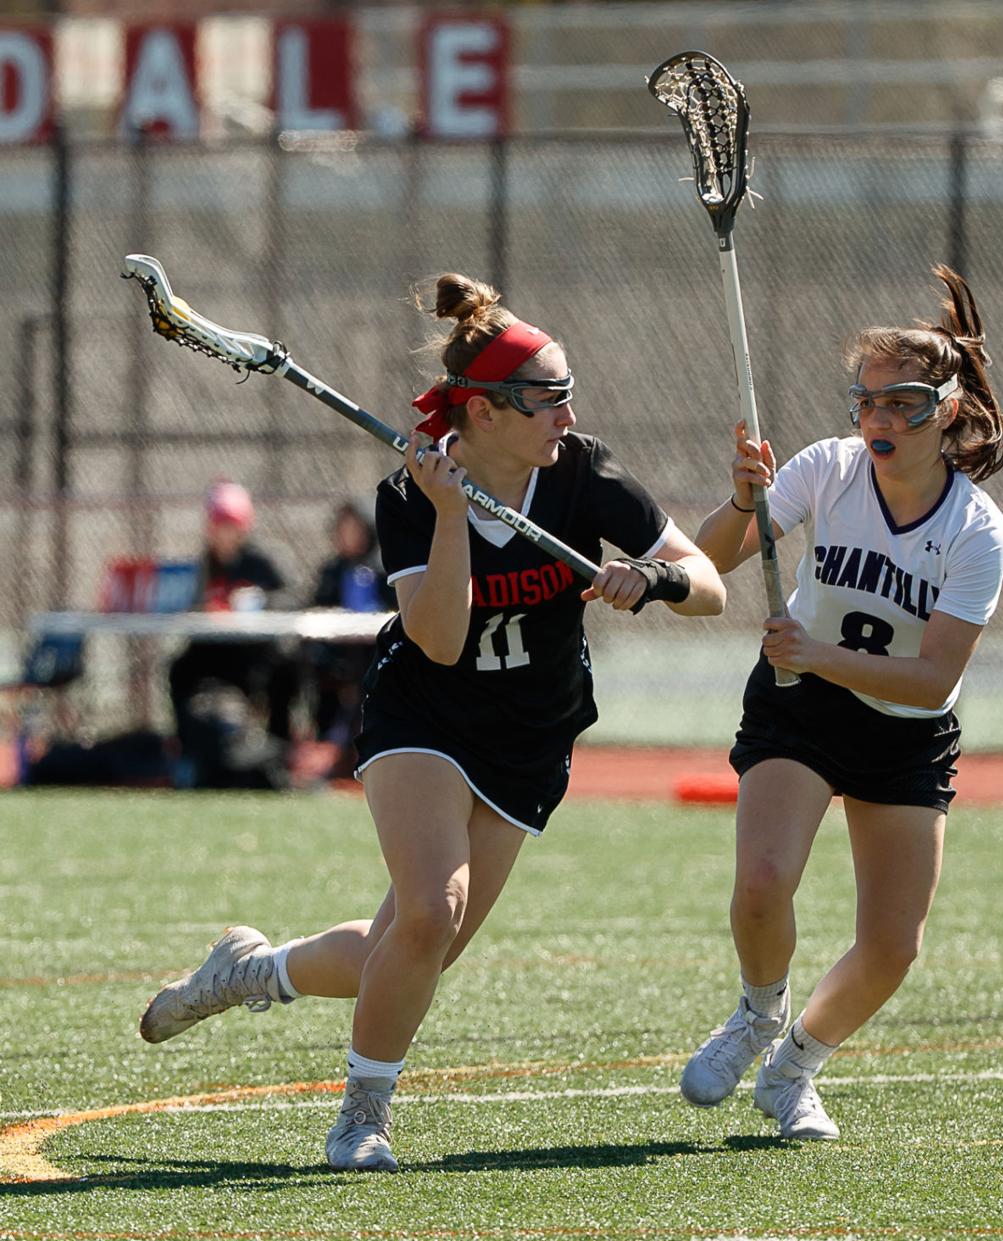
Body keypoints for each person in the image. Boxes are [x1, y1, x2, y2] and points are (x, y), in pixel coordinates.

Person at [138, 273, 726, 1171]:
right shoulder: (411, 493)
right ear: (484, 412)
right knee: (431, 909)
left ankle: (249, 972)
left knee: (413, 948)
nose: (566, 417)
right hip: (426, 711)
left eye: (570, 398)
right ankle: (360, 1117)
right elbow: (442, 640)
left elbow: (711, 588)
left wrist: (657, 578)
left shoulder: (585, 475)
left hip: (532, 732)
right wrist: (452, 514)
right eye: (548, 400)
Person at [679, 265, 1003, 1141]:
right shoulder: (828, 470)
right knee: (761, 882)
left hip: (905, 732)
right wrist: (744, 495)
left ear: (945, 408)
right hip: (802, 708)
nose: (878, 421)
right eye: (865, 402)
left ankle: (795, 1066)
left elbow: (934, 677)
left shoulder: (976, 528)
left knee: (894, 945)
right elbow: (717, 560)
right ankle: (757, 1012)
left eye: (901, 402)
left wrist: (819, 650)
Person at [167, 480, 299, 787]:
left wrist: (259, 600)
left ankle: (280, 750)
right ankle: (187, 753)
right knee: (179, 669)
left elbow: (292, 599)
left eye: (231, 526)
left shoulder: (263, 560)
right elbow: (192, 605)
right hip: (214, 649)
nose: (224, 534)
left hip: (255, 651)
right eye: (219, 526)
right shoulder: (204, 564)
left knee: (287, 664)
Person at [305, 499, 389, 772]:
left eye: (353, 528)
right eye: (342, 528)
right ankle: (325, 746)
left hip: (375, 650)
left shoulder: (382, 566)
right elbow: (316, 606)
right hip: (336, 651)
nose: (347, 535)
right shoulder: (333, 569)